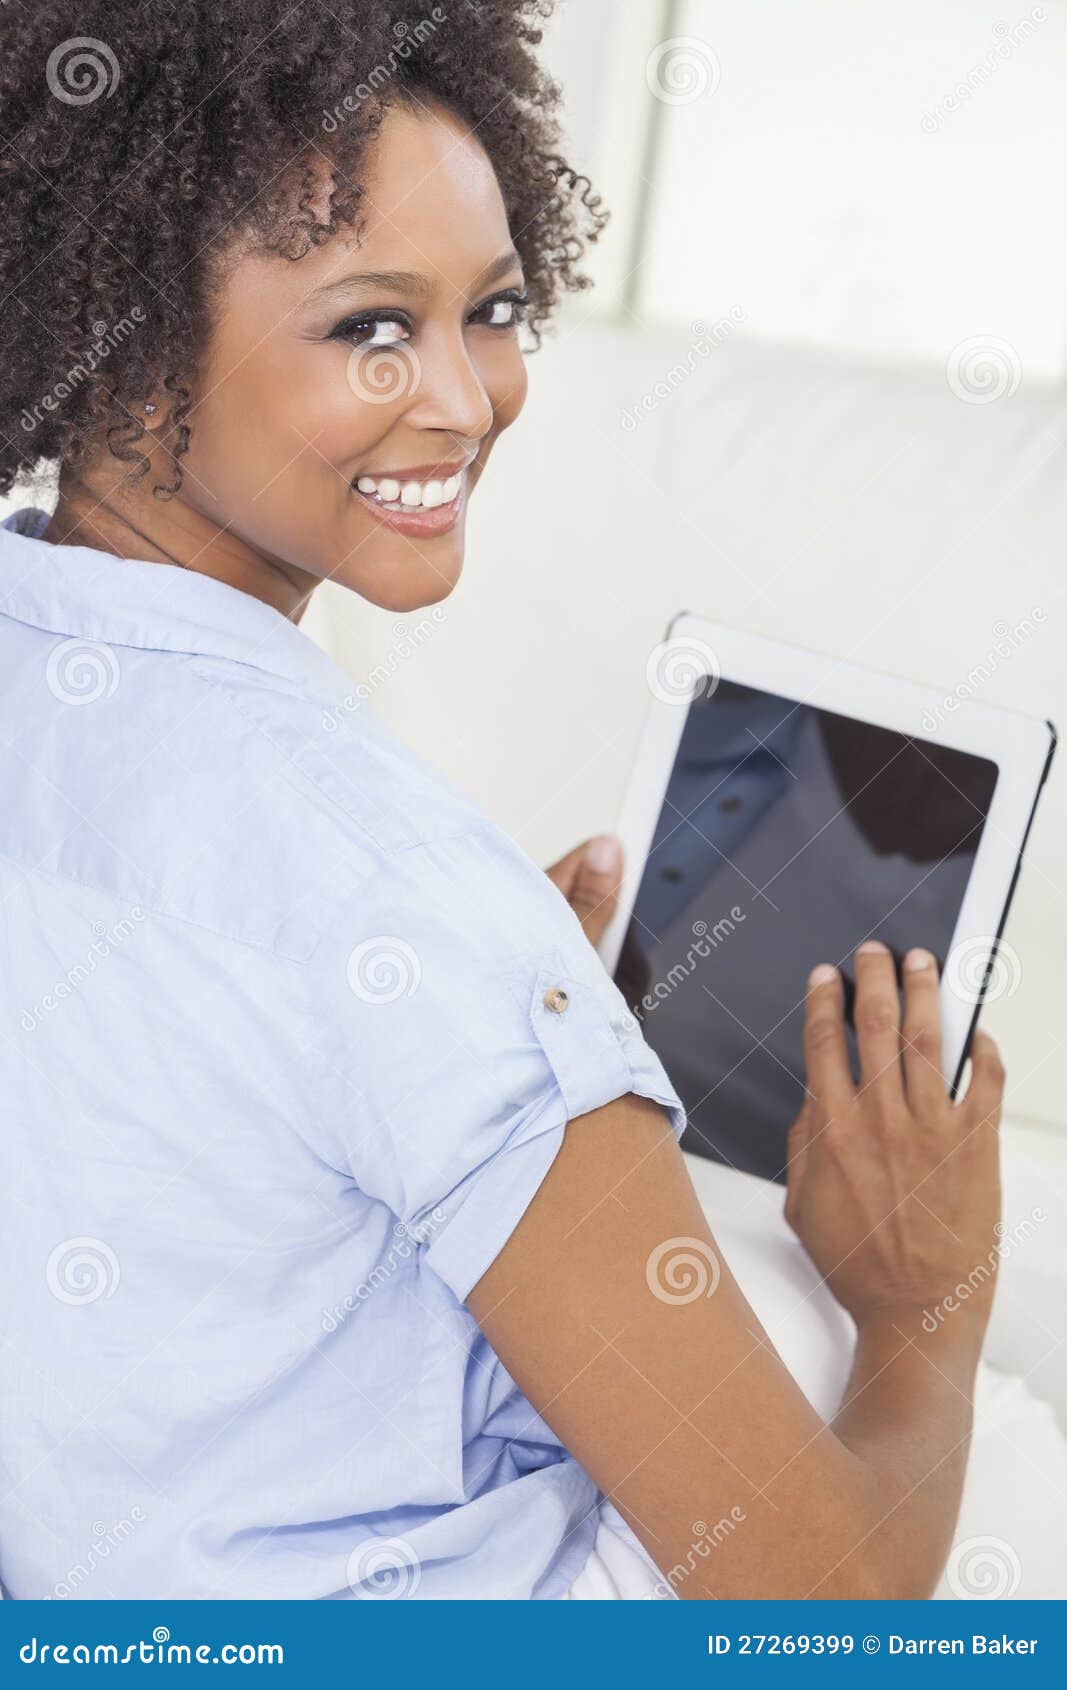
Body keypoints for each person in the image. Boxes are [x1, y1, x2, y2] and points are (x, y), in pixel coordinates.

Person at [0, 1, 1003, 1600]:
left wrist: (429, 1047)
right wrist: (920, 1305)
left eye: (496, 309)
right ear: (122, 331)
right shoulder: (396, 886)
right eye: (370, 326)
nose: (468, 401)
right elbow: (830, 1610)